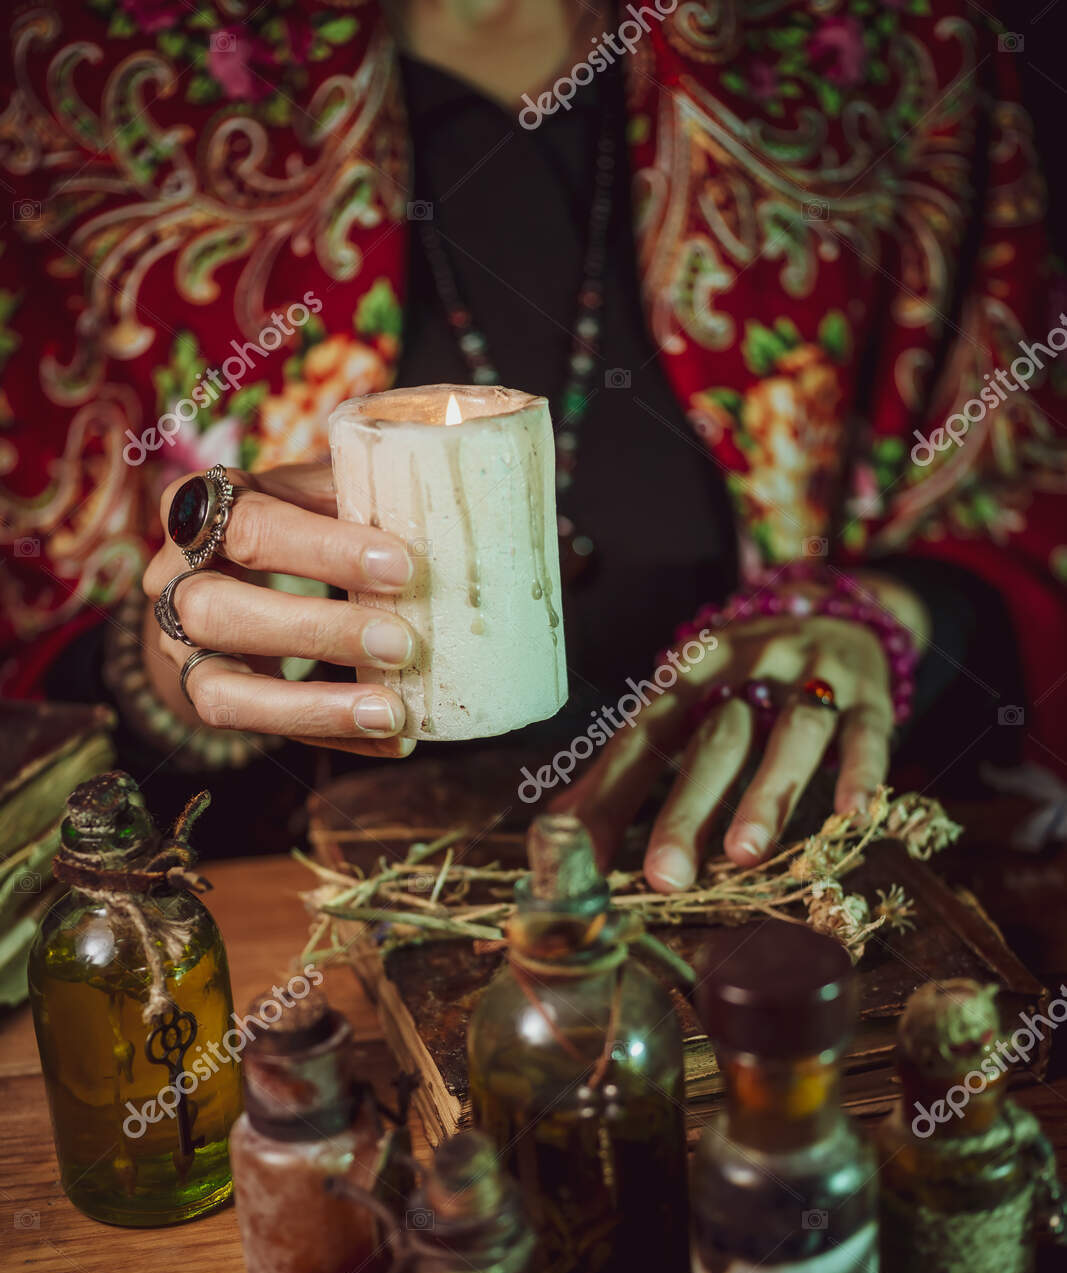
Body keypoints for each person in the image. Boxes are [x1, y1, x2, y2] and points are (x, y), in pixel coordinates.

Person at [2, 0, 1063, 880]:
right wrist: (164, 669)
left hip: (764, 910)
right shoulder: (84, 90)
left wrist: (886, 620)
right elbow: (36, 677)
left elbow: (1021, 521)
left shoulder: (885, 55)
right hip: (312, 949)